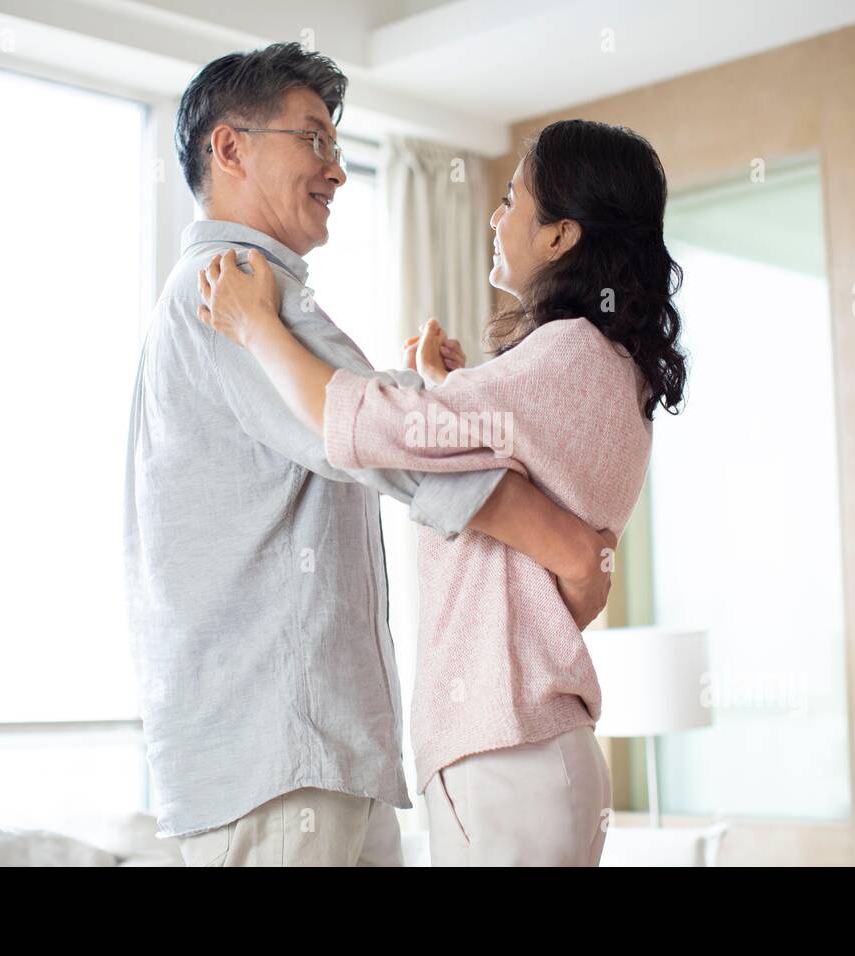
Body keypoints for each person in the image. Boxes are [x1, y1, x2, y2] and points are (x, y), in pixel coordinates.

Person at [124, 44, 616, 867]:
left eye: (338, 146)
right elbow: (385, 443)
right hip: (278, 763)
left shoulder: (257, 294)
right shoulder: (232, 285)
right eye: (313, 140)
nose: (338, 170)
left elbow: (363, 416)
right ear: (231, 148)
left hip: (313, 756)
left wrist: (434, 393)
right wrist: (562, 540)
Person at [196, 117, 688, 865]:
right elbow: (491, 472)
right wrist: (447, 386)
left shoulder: (568, 353)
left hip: (507, 748)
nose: (497, 217)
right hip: (522, 750)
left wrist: (259, 326)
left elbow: (387, 429)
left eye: (513, 199)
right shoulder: (604, 362)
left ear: (561, 236)